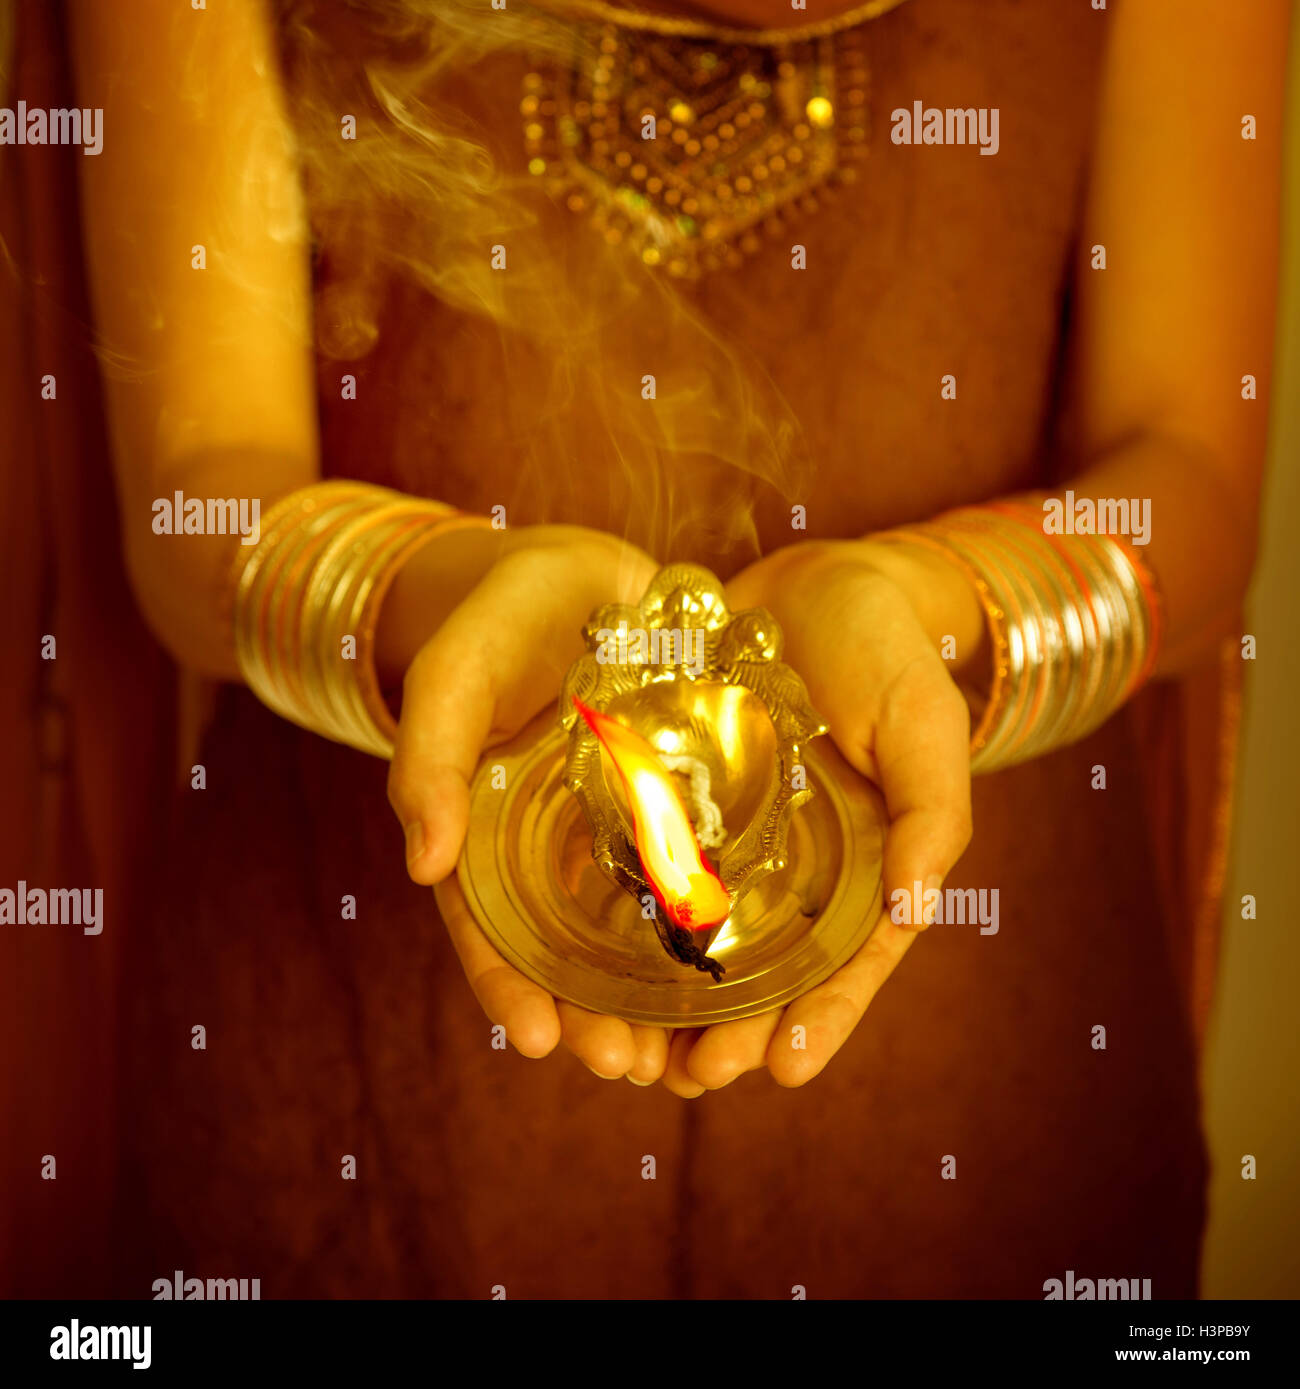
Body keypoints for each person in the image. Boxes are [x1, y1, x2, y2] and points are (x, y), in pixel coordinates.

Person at [67, 0, 1286, 1297]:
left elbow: (1192, 471)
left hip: (993, 1114)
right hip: (342, 1105)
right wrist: (439, 595)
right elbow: (199, 489)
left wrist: (936, 607)